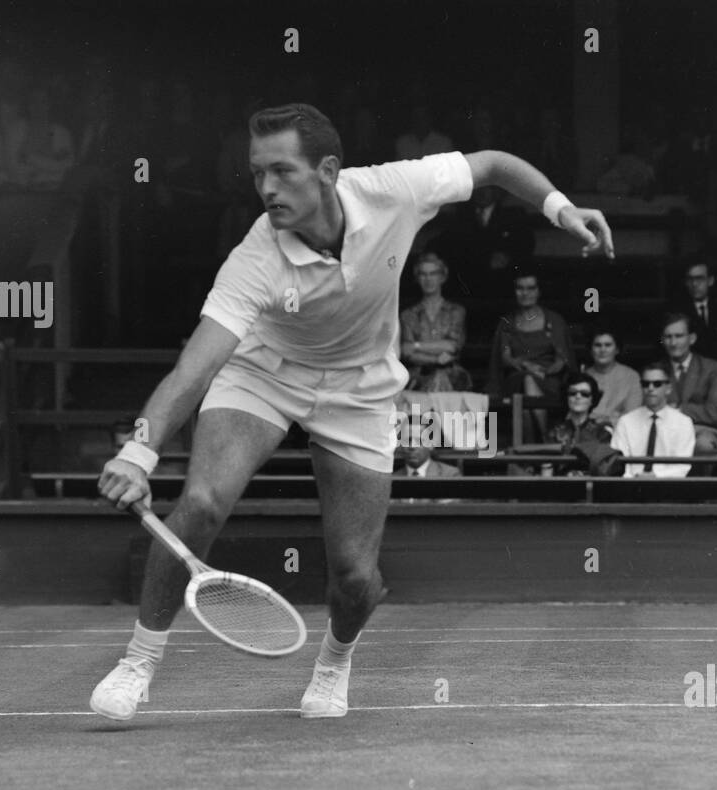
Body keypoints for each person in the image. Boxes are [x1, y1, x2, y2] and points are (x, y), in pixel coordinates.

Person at [91, 103, 613, 721]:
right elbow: (194, 369)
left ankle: (335, 663)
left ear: (329, 170)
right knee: (201, 503)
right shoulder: (255, 256)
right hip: (264, 375)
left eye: (282, 172)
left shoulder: (396, 189)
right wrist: (139, 450)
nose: (266, 188)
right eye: (258, 173)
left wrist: (561, 208)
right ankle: (138, 662)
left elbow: (495, 165)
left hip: (360, 391)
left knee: (356, 576)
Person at [489, 267, 576, 442]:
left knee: (526, 403)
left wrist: (544, 372)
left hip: (549, 380)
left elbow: (562, 359)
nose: (525, 293)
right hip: (516, 379)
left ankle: (532, 446)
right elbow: (505, 358)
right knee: (527, 381)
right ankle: (543, 439)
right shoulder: (507, 322)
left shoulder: (554, 319)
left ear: (538, 291)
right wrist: (527, 367)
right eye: (520, 288)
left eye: (530, 288)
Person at [658, 314, 717, 456]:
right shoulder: (657, 370)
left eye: (679, 336)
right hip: (665, 432)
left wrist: (678, 410)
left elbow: (714, 412)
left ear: (692, 338)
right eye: (668, 337)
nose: (673, 343)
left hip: (704, 431)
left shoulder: (712, 368)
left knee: (702, 445)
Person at [398, 252, 471, 391]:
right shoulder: (408, 315)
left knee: (442, 378)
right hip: (418, 377)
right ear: (417, 278)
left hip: (452, 376)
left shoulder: (456, 311)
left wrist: (417, 345)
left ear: (442, 277)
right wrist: (436, 359)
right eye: (423, 274)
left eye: (433, 273)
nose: (428, 279)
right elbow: (407, 351)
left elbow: (451, 346)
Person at [611, 364, 694, 478]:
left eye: (657, 384)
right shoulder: (626, 422)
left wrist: (655, 476)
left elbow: (682, 466)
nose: (650, 388)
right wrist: (635, 478)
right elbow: (618, 463)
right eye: (645, 384)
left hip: (669, 487)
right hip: (631, 486)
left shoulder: (683, 423)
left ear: (668, 388)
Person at [548, 373, 614, 475]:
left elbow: (604, 466)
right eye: (572, 393)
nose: (578, 396)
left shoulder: (602, 431)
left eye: (585, 394)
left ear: (592, 400)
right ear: (566, 397)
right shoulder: (555, 431)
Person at [584, 329, 641, 426]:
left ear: (617, 350)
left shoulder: (631, 376)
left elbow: (632, 415)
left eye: (608, 345)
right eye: (598, 345)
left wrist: (600, 419)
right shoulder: (583, 377)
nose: (602, 350)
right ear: (591, 350)